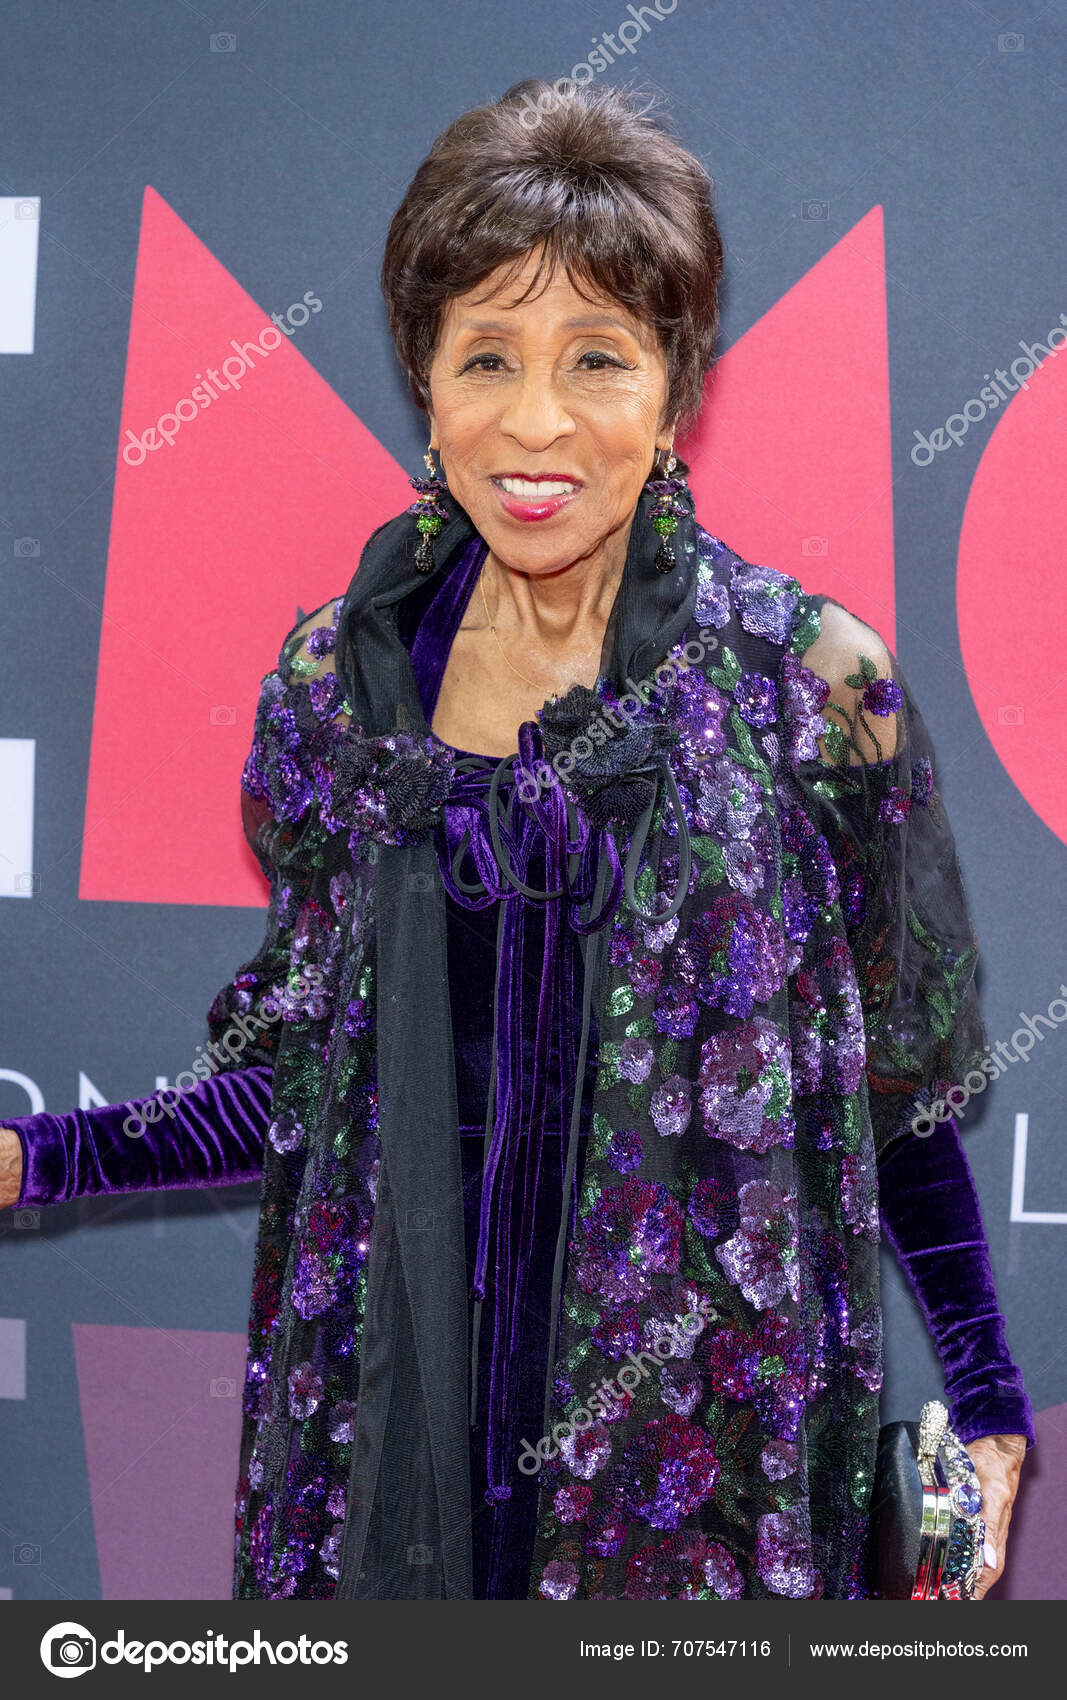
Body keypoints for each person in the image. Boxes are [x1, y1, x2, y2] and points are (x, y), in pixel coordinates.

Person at [0, 79, 1031, 1602]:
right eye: (487, 356)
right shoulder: (338, 684)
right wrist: (36, 1156)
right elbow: (306, 1065)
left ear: (677, 394)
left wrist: (991, 1409)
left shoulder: (811, 686)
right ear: (424, 381)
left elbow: (895, 1099)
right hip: (388, 1440)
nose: (536, 422)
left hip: (684, 1466)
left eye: (598, 359)